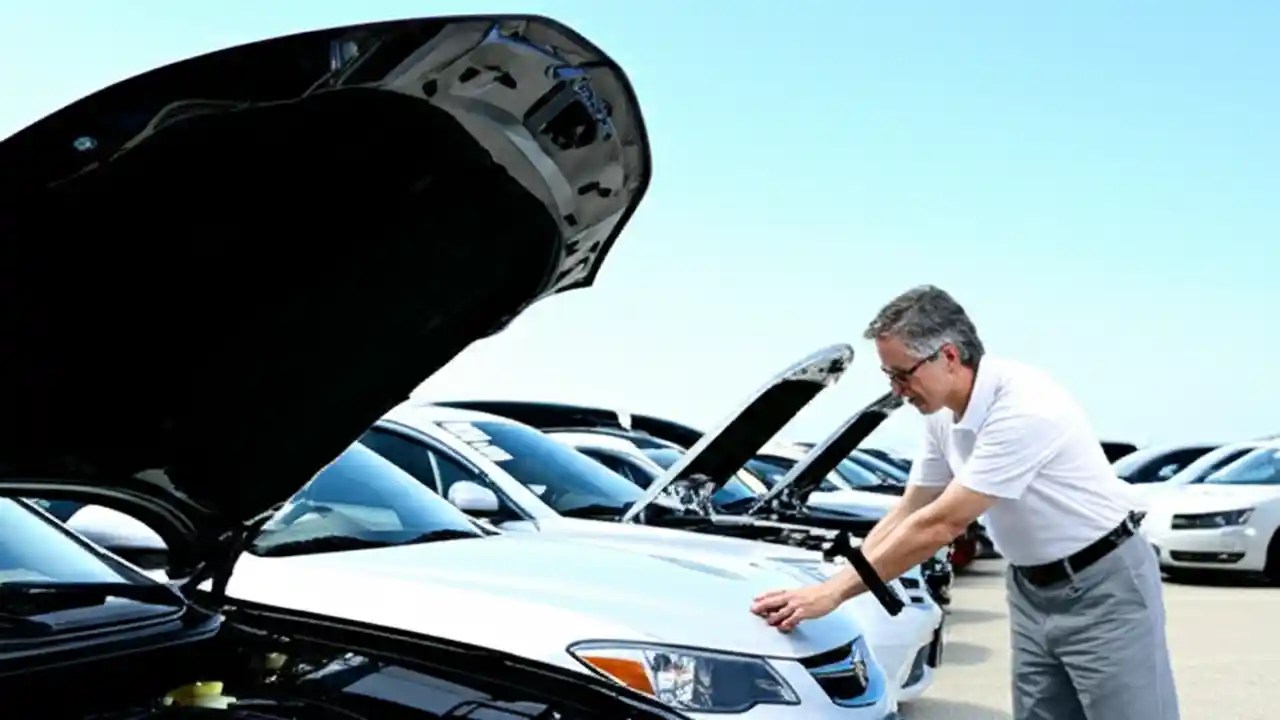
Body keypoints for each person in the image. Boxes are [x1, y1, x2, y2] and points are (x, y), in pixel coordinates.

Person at [749, 284, 1179, 720]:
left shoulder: (1025, 407)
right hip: (1031, 590)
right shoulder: (941, 416)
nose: (898, 390)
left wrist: (834, 594)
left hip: (1104, 586)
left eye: (903, 374)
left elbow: (943, 523)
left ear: (949, 357)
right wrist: (836, 578)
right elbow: (911, 509)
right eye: (889, 377)